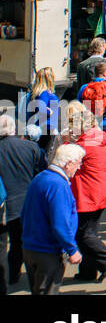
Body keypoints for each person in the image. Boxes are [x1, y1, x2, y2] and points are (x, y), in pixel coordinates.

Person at [19, 143, 85, 294]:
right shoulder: (57, 185)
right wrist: (72, 249)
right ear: (68, 164)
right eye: (78, 163)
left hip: (31, 248)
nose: (79, 167)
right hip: (47, 251)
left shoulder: (40, 178)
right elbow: (60, 223)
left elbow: (24, 214)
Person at [67, 104, 106, 283]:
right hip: (103, 190)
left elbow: (65, 160)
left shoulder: (82, 146)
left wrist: (67, 141)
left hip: (89, 193)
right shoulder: (102, 138)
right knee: (90, 231)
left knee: (83, 235)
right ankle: (88, 272)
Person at [1, 114, 46, 290]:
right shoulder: (31, 147)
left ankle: (10, 278)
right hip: (28, 204)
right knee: (28, 242)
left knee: (5, 246)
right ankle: (34, 280)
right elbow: (42, 174)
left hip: (4, 207)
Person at [28, 67, 61, 154]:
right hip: (47, 127)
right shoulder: (44, 93)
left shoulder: (38, 92)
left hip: (43, 127)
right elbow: (41, 108)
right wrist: (49, 112)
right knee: (44, 153)